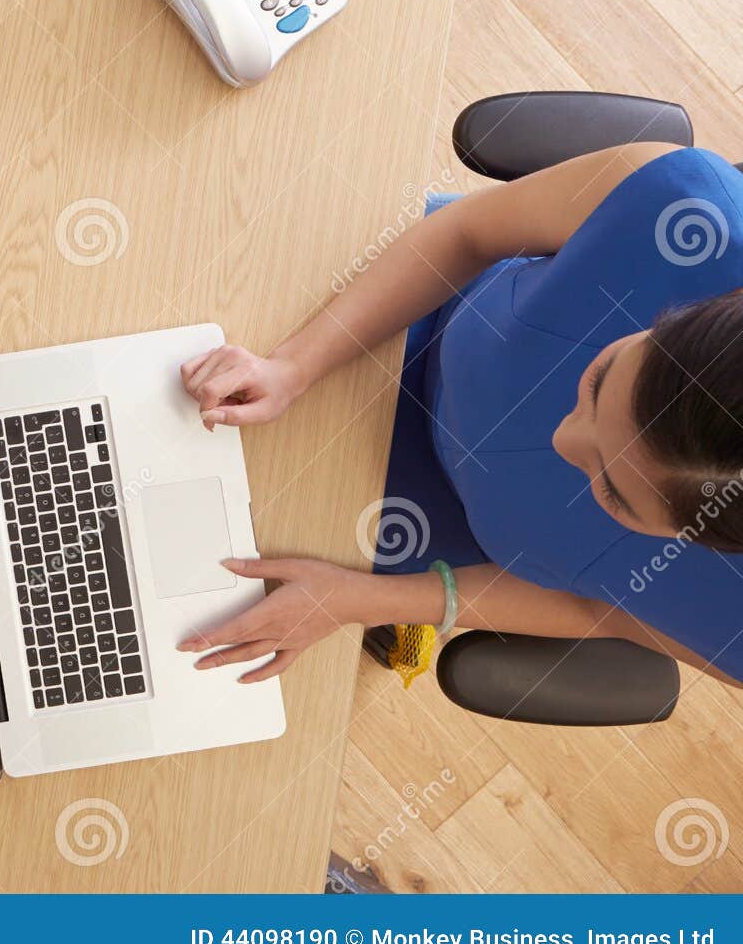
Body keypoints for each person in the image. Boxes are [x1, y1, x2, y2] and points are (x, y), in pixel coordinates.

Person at [175, 143, 743, 686]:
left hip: (420, 528)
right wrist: (292, 367)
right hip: (411, 308)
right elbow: (467, 232)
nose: (561, 438)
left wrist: (355, 601)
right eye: (600, 381)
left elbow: (606, 612)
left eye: (611, 489)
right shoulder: (683, 204)